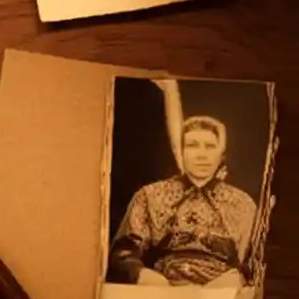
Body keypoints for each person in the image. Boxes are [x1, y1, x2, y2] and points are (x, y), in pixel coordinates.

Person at [108, 116, 258, 288]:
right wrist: (142, 275)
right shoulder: (150, 196)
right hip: (161, 291)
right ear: (181, 151)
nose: (202, 155)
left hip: (222, 293)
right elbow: (122, 254)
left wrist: (238, 279)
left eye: (210, 146)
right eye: (192, 145)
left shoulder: (242, 204)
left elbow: (253, 262)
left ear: (222, 154)